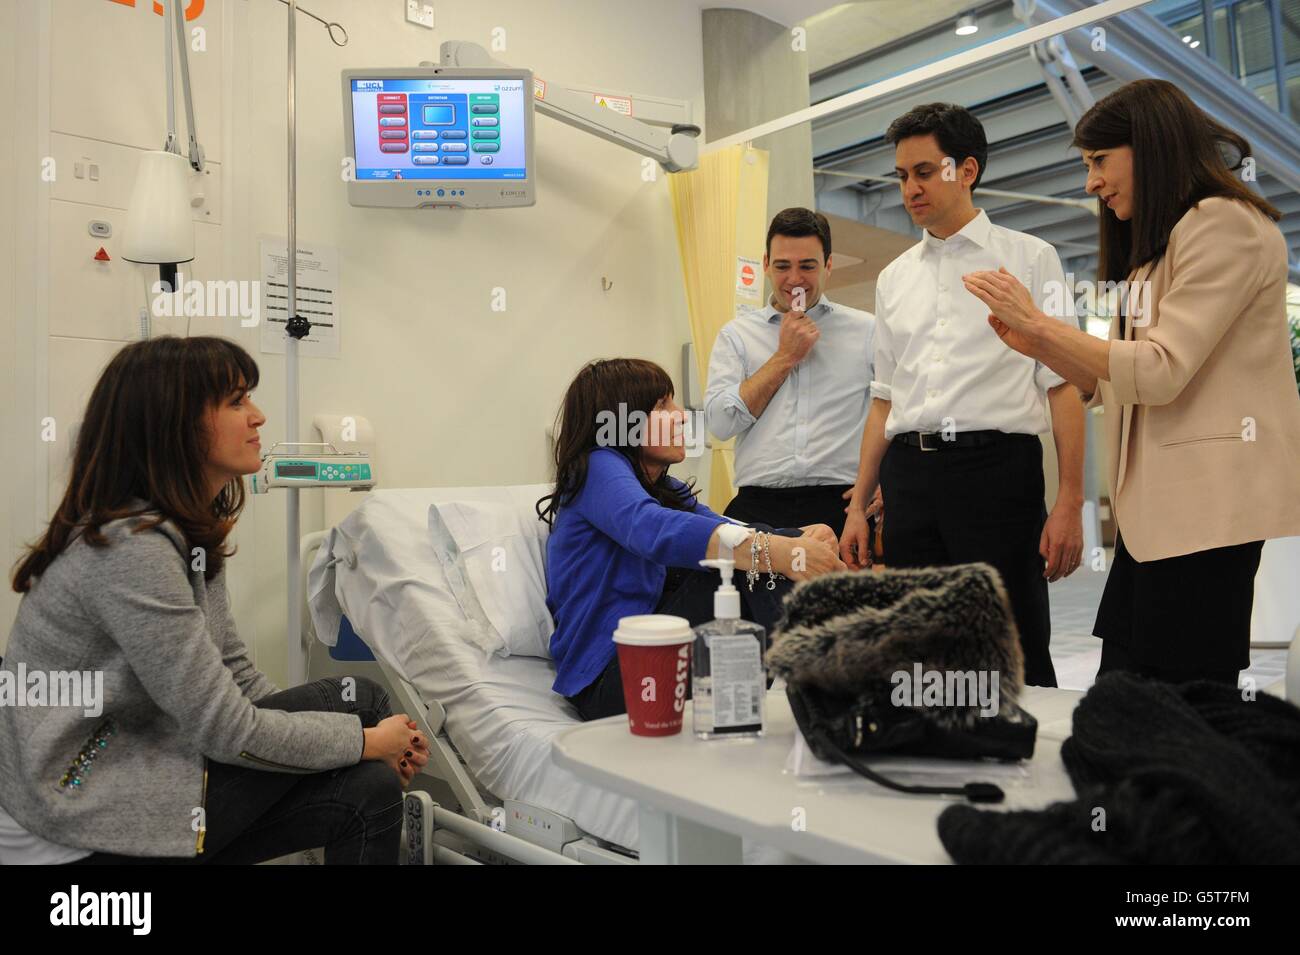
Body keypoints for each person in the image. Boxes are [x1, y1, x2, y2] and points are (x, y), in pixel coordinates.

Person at [0, 336, 430, 865]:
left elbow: (240, 681)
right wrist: (366, 742)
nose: (259, 416)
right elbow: (227, 729)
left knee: (368, 789)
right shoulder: (131, 550)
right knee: (358, 706)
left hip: (150, 760)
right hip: (86, 798)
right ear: (173, 424)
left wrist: (361, 751)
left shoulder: (186, 533)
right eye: (236, 401)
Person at [963, 79, 1300, 685]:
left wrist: (1041, 324)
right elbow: (1114, 383)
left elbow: (1160, 370)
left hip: (1205, 510)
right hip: (1158, 520)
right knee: (1129, 683)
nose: (1090, 181)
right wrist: (1037, 342)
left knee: (1178, 697)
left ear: (1151, 146)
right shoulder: (1157, 249)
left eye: (1099, 160)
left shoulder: (1223, 223)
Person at [840, 102, 1086, 688]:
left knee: (1013, 639)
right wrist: (858, 503)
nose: (910, 188)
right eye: (901, 176)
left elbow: (1063, 386)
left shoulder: (1031, 258)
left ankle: (1029, 764)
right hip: (910, 478)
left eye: (924, 172)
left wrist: (1071, 500)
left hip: (998, 473)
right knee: (918, 642)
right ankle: (931, 756)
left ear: (966, 170)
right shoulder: (894, 277)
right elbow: (884, 399)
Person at [539, 358, 845, 721]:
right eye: (661, 406)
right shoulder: (595, 467)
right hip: (614, 683)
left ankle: (830, 679)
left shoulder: (666, 489)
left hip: (659, 663)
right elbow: (651, 529)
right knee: (741, 566)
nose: (682, 416)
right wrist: (780, 550)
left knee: (761, 550)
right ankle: (835, 686)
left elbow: (733, 530)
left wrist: (802, 540)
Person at [704, 208, 877, 538]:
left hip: (841, 505)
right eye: (783, 266)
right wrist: (784, 357)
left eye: (807, 266)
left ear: (828, 265)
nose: (794, 278)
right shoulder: (737, 336)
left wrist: (886, 479)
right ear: (766, 264)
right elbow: (720, 425)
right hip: (758, 506)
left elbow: (896, 411)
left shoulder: (867, 330)